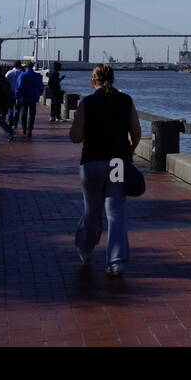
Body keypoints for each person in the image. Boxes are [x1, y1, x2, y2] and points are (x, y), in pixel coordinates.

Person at [69, 63, 141, 277]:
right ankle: (116, 261)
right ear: (113, 78)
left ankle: (85, 248)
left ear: (93, 81)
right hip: (117, 163)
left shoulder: (88, 102)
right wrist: (130, 150)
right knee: (116, 212)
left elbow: (76, 137)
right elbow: (136, 132)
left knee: (92, 210)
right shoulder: (126, 100)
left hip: (92, 163)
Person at [15, 61, 44, 137]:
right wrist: (39, 94)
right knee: (32, 114)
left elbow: (18, 86)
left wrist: (17, 96)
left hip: (23, 97)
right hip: (33, 97)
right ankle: (29, 129)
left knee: (23, 113)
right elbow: (41, 87)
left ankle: (24, 129)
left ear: (26, 67)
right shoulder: (37, 76)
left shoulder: (22, 75)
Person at [4, 60, 24, 130]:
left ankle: (10, 121)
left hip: (10, 91)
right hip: (18, 92)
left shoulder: (9, 72)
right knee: (18, 108)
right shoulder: (21, 73)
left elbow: (5, 81)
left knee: (10, 107)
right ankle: (15, 123)